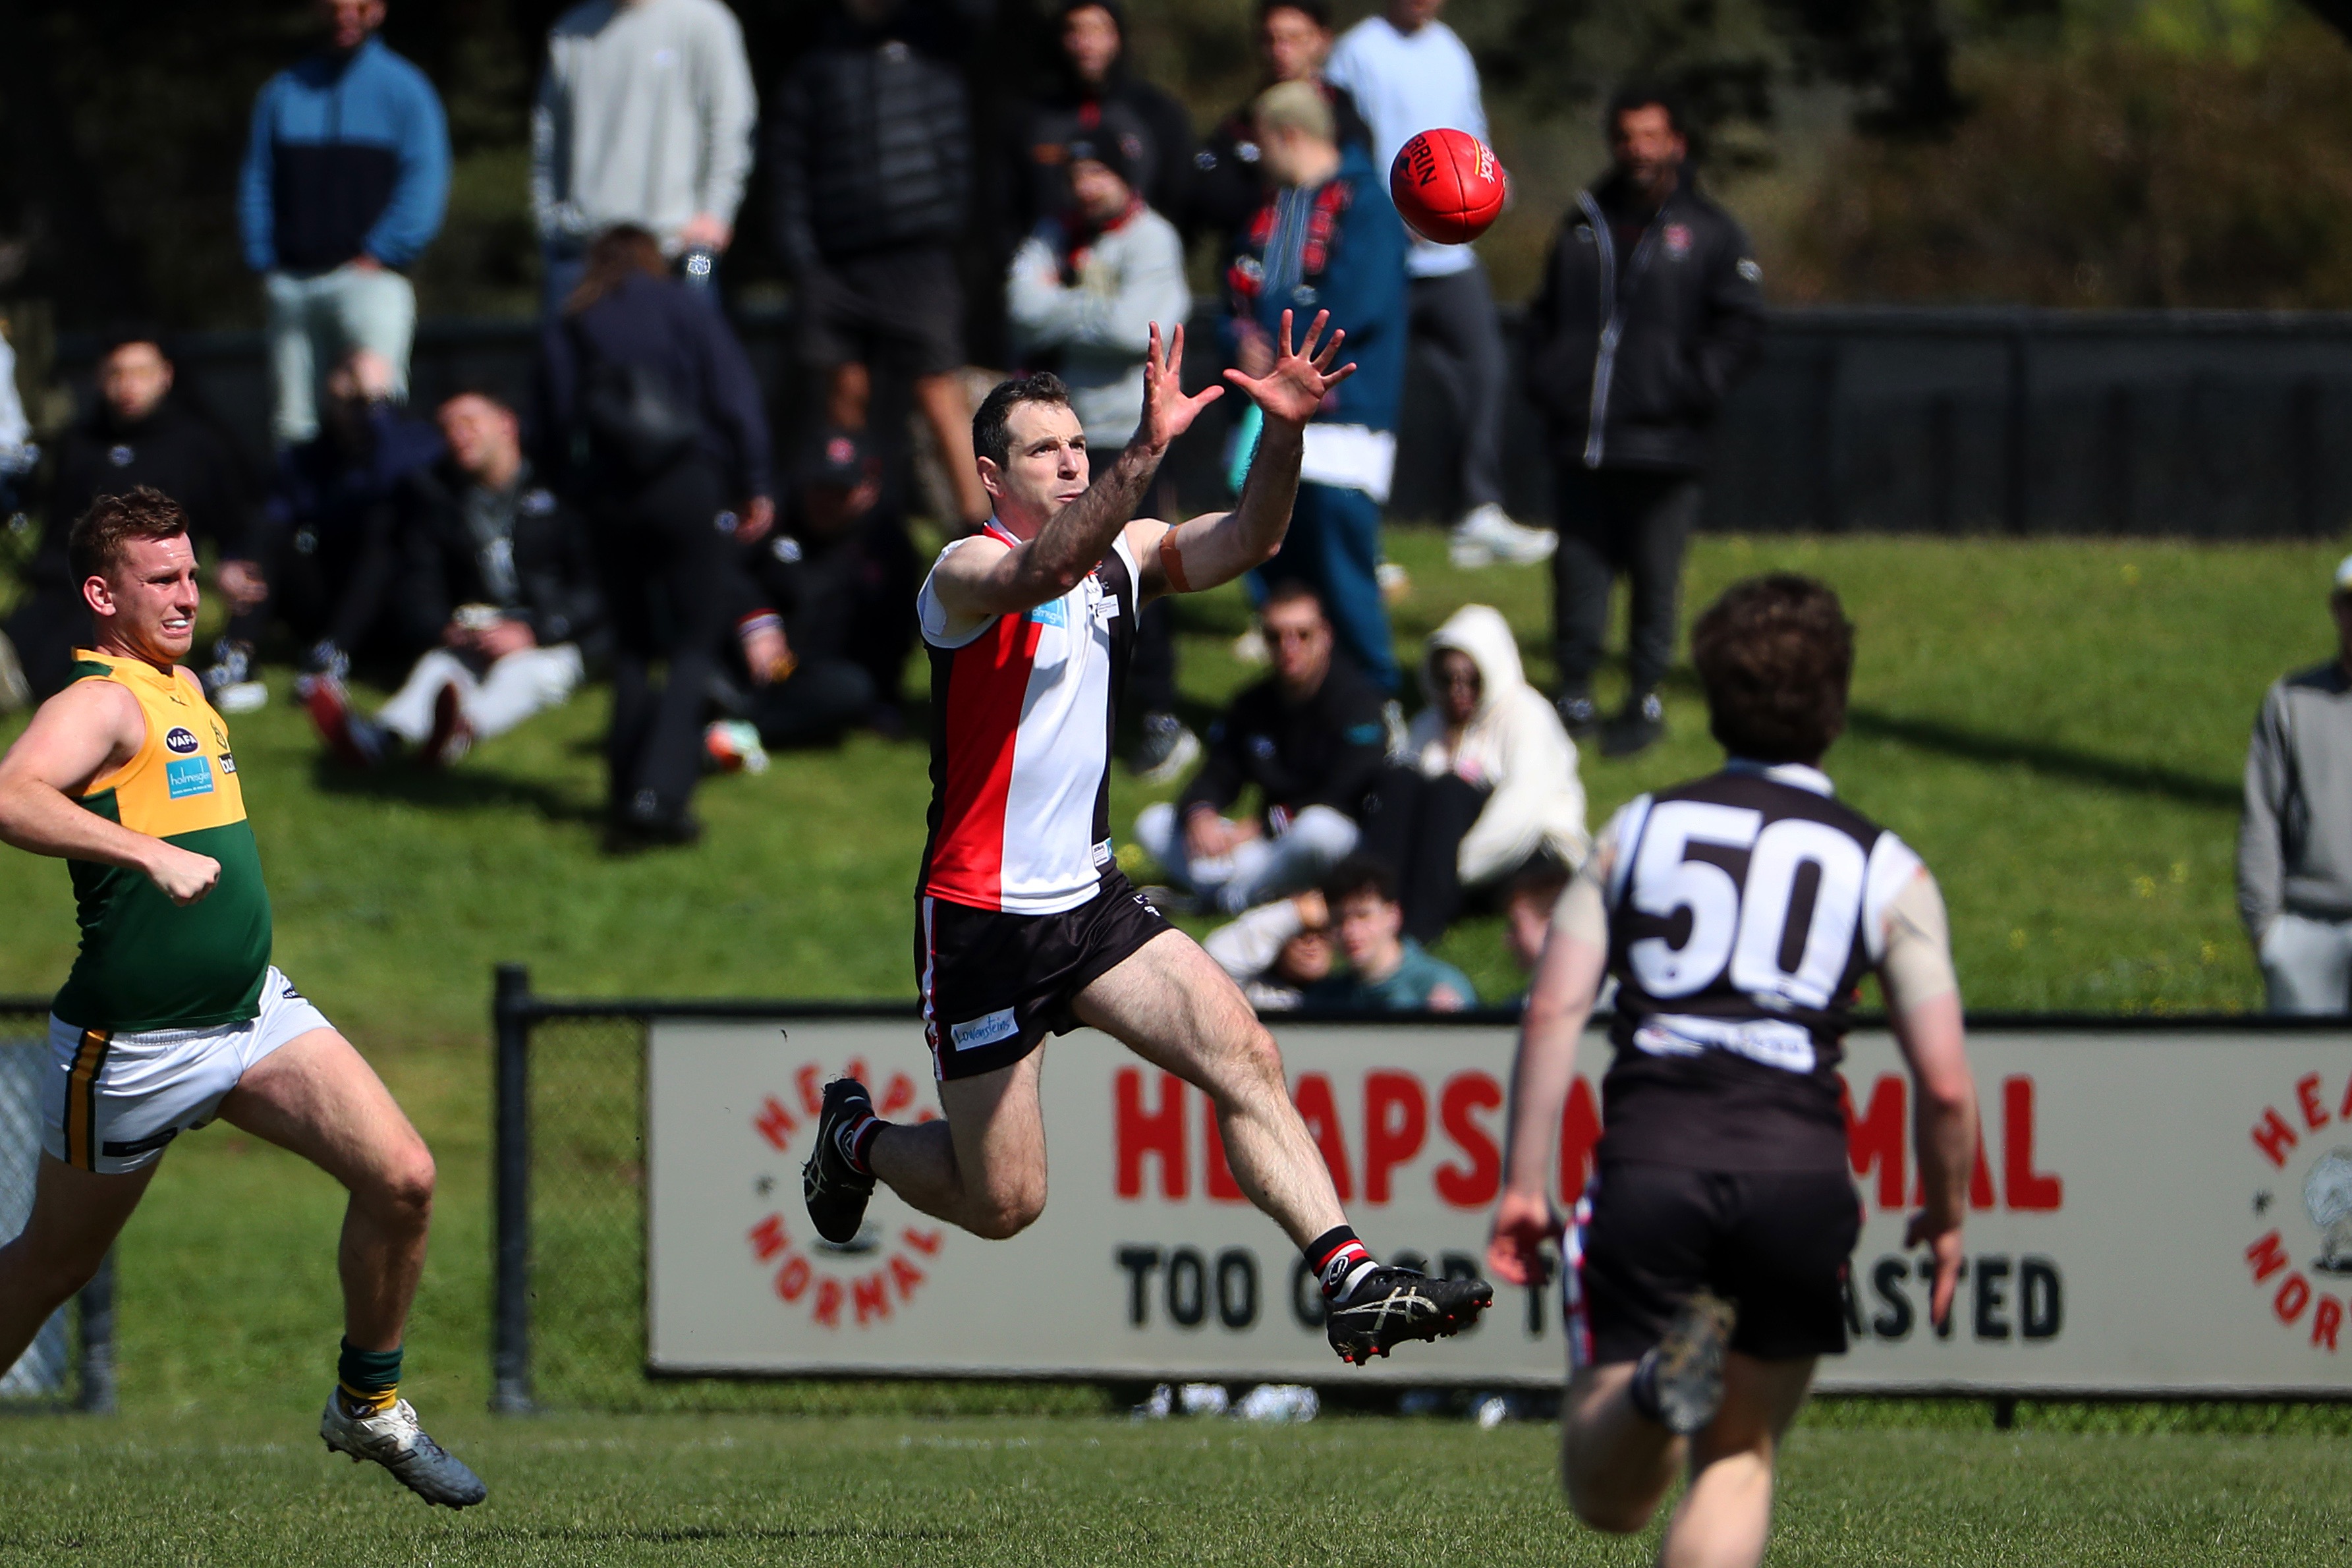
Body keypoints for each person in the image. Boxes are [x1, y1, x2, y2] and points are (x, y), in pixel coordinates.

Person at [800, 316, 1492, 1364]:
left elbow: (1247, 541)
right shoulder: (961, 572)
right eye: (1045, 448)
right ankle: (856, 1139)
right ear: (991, 476)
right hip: (982, 920)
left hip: (1088, 906)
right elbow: (1042, 570)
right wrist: (1143, 455)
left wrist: (1286, 432)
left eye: (1080, 442)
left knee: (1244, 1053)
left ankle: (1346, 1274)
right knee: (1005, 1202)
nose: (1071, 459)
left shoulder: (1117, 555)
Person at [0, 487, 484, 1508]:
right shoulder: (99, 699)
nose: (186, 596)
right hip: (129, 1048)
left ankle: (369, 1404)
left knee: (402, 1177)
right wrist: (142, 852)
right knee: (48, 1269)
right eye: (159, 579)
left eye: (189, 574)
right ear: (101, 593)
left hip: (252, 1015)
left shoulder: (185, 689)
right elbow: (10, 793)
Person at [1486, 574, 1976, 1568]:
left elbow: (1553, 1005)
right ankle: (1671, 1395)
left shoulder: (1637, 831)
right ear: (1836, 707)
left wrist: (1522, 1186)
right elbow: (1947, 1083)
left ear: (1712, 698)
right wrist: (1946, 1208)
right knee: (1740, 1455)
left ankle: (1653, 1389)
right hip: (1795, 1175)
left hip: (1654, 1160)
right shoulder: (1886, 866)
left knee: (1607, 1496)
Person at [1525, 84, 1766, 757]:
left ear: (1677, 144)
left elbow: (1743, 326)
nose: (1638, 149)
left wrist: (1688, 387)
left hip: (1665, 443)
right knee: (1578, 572)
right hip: (1583, 439)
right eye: (1627, 135)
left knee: (1655, 579)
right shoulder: (1581, 222)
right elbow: (1545, 316)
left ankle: (1644, 696)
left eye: (1651, 136)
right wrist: (1551, 380)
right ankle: (1572, 694)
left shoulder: (1712, 231)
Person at [536, 224, 772, 848]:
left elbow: (553, 416)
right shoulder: (681, 307)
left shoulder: (574, 316)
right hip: (686, 484)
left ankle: (622, 787)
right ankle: (660, 795)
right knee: (694, 642)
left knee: (636, 645)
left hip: (611, 497)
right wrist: (754, 478)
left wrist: (575, 491)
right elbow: (734, 392)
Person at [1326, 0, 1552, 573]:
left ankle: (1479, 512)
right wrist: (1391, 213)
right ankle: (1358, 531)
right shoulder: (1358, 50)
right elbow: (1343, 148)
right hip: (1385, 254)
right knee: (1361, 389)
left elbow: (1472, 141)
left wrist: (1489, 187)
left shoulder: (1451, 48)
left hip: (1450, 259)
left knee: (1485, 369)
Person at [1007, 134, 1196, 775]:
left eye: (1098, 172)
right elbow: (1018, 308)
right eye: (1078, 172)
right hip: (1067, 428)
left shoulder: (1152, 240)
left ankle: (1156, 713)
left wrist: (1062, 306)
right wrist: (1092, 307)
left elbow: (1134, 329)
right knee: (1065, 571)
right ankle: (1075, 711)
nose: (1085, 186)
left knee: (1135, 569)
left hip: (1131, 430)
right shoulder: (1054, 232)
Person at [771, 0, 991, 533]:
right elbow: (788, 166)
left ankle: (985, 534)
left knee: (940, 393)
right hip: (836, 261)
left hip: (919, 252)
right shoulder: (815, 64)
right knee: (844, 396)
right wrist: (802, 259)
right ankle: (844, 541)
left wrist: (948, 219)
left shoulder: (937, 41)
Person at [304, 391, 605, 768]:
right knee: (440, 669)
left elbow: (598, 587)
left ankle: (459, 731)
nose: (457, 436)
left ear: (506, 424)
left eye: (469, 423)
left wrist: (536, 630)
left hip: (556, 637)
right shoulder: (440, 499)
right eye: (447, 428)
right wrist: (446, 629)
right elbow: (419, 585)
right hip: (480, 632)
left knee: (527, 674)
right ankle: (380, 736)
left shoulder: (561, 491)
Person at [1229, 80, 1408, 692]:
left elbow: (1358, 304)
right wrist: (1242, 340)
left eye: (1263, 144)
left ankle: (1378, 702)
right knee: (1286, 574)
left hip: (1346, 420)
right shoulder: (1276, 205)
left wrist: (1277, 338)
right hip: (1279, 418)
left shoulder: (1368, 206)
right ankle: (1309, 714)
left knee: (1343, 571)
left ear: (1289, 136)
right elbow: (1245, 290)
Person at [3, 333, 260, 708]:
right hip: (60, 588)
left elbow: (237, 526)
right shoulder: (78, 443)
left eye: (141, 373)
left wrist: (230, 565)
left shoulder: (198, 445)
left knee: (58, 674)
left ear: (165, 376)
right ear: (99, 378)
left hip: (130, 595)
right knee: (15, 648)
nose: (129, 386)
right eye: (117, 374)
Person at [239, 0, 449, 450]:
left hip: (369, 279)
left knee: (377, 408)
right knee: (294, 420)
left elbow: (426, 177)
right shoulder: (284, 91)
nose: (347, 16)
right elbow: (259, 177)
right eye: (336, 6)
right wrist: (265, 257)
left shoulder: (405, 89)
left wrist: (385, 251)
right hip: (293, 280)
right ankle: (301, 519)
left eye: (360, 6)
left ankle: (384, 515)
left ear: (380, 10)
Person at [1133, 580, 1384, 913]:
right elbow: (1219, 771)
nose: (1288, 646)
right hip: (1270, 847)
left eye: (1302, 634)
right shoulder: (1253, 704)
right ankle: (1251, 892)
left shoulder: (1358, 702)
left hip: (1331, 837)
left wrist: (1262, 825)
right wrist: (1202, 813)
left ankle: (1227, 901)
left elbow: (1346, 789)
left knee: (1318, 830)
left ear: (1326, 636)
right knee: (1154, 823)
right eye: (1275, 636)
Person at [1362, 602, 1589, 945]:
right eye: (1446, 679)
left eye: (1471, 680)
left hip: (1524, 853)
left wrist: (1443, 867)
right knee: (1401, 779)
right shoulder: (1428, 723)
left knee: (1450, 790)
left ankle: (1415, 933)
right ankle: (1369, 902)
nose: (1458, 692)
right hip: (1441, 859)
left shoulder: (1527, 715)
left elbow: (1519, 816)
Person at [532, 0, 758, 310]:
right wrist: (551, 223)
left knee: (696, 344)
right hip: (582, 254)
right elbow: (547, 137)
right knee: (567, 356)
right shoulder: (570, 32)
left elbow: (731, 125)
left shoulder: (707, 22)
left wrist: (717, 213)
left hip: (685, 254)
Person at [241, 348, 444, 692]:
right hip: (327, 589)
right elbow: (274, 517)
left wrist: (377, 414)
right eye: (350, 402)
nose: (357, 413)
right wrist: (240, 561)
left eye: (369, 403)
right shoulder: (307, 457)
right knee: (271, 536)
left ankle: (333, 655)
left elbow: (390, 481)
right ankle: (236, 654)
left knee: (382, 525)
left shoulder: (415, 440)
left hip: (390, 597)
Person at [718, 428, 919, 750]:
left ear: (869, 490)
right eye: (820, 487)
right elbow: (719, 568)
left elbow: (895, 632)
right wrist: (755, 620)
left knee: (849, 690)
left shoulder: (887, 547)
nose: (826, 501)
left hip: (820, 667)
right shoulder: (770, 515)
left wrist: (884, 699)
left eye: (841, 492)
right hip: (748, 651)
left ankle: (741, 726)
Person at [2239, 553, 2352, 1013]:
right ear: (2336, 610)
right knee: (2305, 1080)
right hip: (2308, 928)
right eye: (2350, 604)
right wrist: (2267, 931)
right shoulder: (2291, 700)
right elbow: (2261, 815)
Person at [1007, 2, 1198, 244]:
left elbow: (1182, 200)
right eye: (1075, 31)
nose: (1086, 44)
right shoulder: (1033, 118)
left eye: (1097, 30)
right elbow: (1005, 206)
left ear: (1116, 36)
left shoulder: (1157, 112)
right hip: (1050, 264)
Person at [1194, 1, 1372, 251]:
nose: (1281, 50)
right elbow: (1213, 203)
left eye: (1295, 38)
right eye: (1271, 39)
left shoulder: (1345, 120)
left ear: (1323, 40)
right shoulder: (1241, 126)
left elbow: (1360, 196)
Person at [1301, 853, 1474, 1011]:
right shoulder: (1324, 999)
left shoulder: (1438, 987)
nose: (1350, 931)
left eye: (1363, 916)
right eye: (1339, 921)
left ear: (1393, 916)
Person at [1202, 887, 1335, 1011]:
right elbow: (1213, 963)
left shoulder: (1349, 995)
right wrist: (1294, 914)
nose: (1311, 940)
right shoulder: (1258, 995)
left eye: (1322, 931)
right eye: (1298, 931)